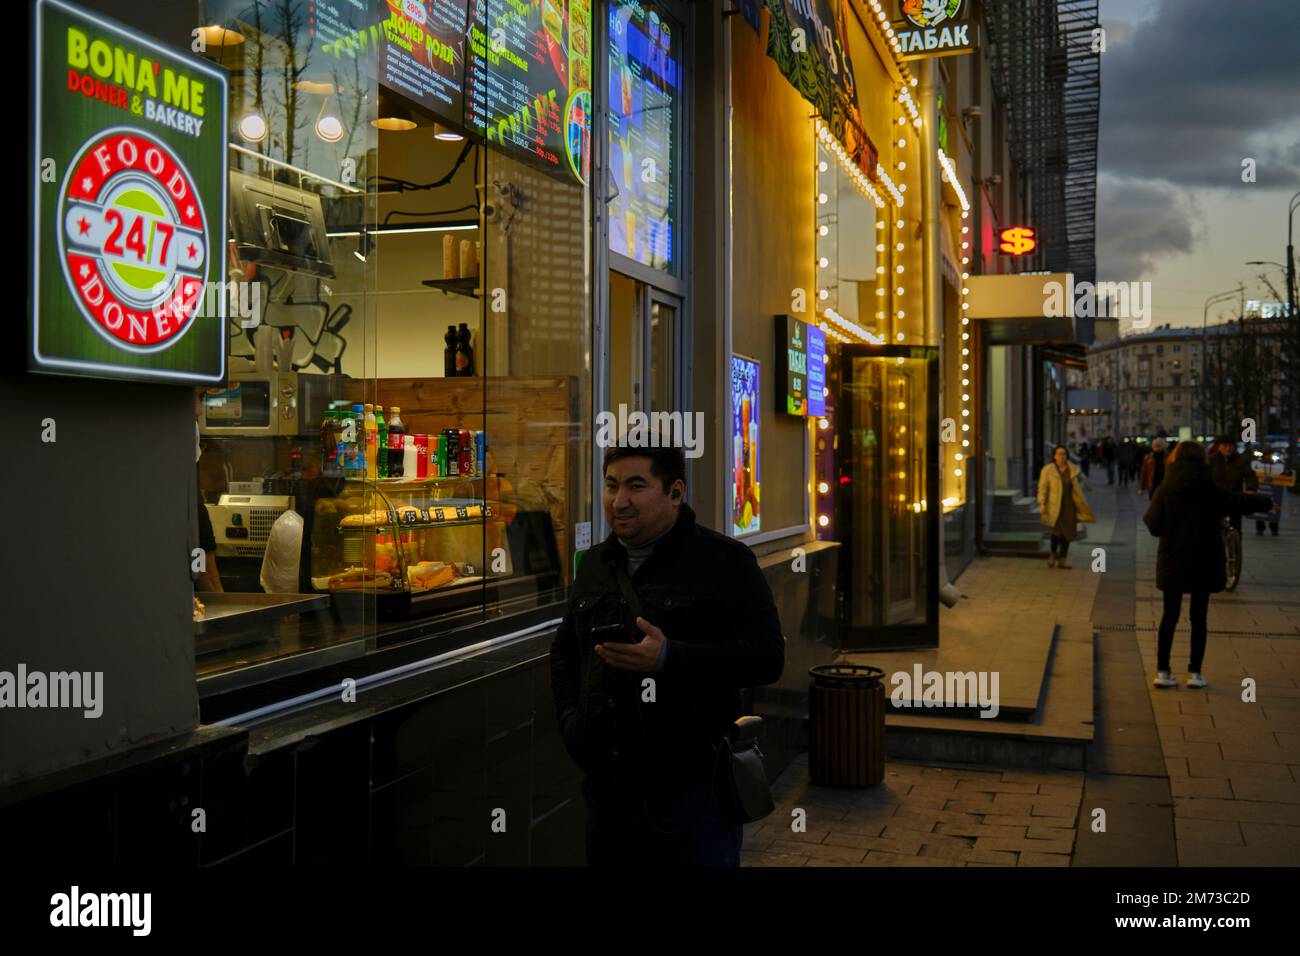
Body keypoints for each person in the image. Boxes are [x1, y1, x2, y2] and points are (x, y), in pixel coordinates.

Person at [550, 445, 785, 866]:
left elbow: (767, 657)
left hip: (694, 797)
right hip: (609, 796)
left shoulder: (724, 562)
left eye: (636, 486)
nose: (619, 501)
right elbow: (566, 651)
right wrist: (573, 725)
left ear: (675, 492)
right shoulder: (594, 565)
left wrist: (670, 658)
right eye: (611, 485)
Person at [1143, 440, 1272, 689]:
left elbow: (1152, 523)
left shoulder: (1165, 488)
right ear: (1202, 458)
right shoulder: (1210, 487)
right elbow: (1238, 502)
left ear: (1175, 458)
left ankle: (1162, 671)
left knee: (1169, 616)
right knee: (1198, 617)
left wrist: (1169, 528)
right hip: (1204, 559)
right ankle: (1195, 673)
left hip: (1173, 559)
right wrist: (1265, 502)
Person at [1037, 444, 1095, 570]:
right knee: (1056, 532)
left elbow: (1086, 484)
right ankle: (1052, 555)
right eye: (1059, 454)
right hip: (1054, 506)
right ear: (1054, 456)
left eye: (1064, 454)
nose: (1061, 456)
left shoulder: (1073, 469)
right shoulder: (1048, 470)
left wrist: (1082, 486)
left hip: (1070, 506)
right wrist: (1041, 502)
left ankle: (1062, 560)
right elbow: (1043, 487)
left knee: (1067, 533)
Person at [1208, 435, 1259, 534]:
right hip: (1215, 499)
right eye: (1225, 445)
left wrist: (1251, 489)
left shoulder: (1242, 460)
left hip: (1235, 497)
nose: (1228, 448)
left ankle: (1236, 546)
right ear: (1219, 446)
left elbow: (1250, 475)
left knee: (1236, 528)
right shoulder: (1211, 460)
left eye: (1231, 445)